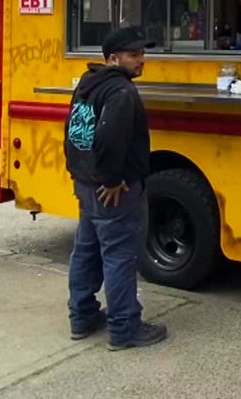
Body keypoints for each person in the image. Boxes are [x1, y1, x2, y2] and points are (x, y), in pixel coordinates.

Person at [63, 25, 167, 350]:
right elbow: (109, 138)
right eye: (134, 55)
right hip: (113, 189)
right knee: (120, 255)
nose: (142, 60)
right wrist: (110, 179)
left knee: (86, 250)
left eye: (142, 54)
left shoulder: (86, 83)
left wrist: (83, 175)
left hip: (85, 183)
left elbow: (73, 132)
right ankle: (124, 327)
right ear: (112, 59)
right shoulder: (121, 91)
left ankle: (82, 316)